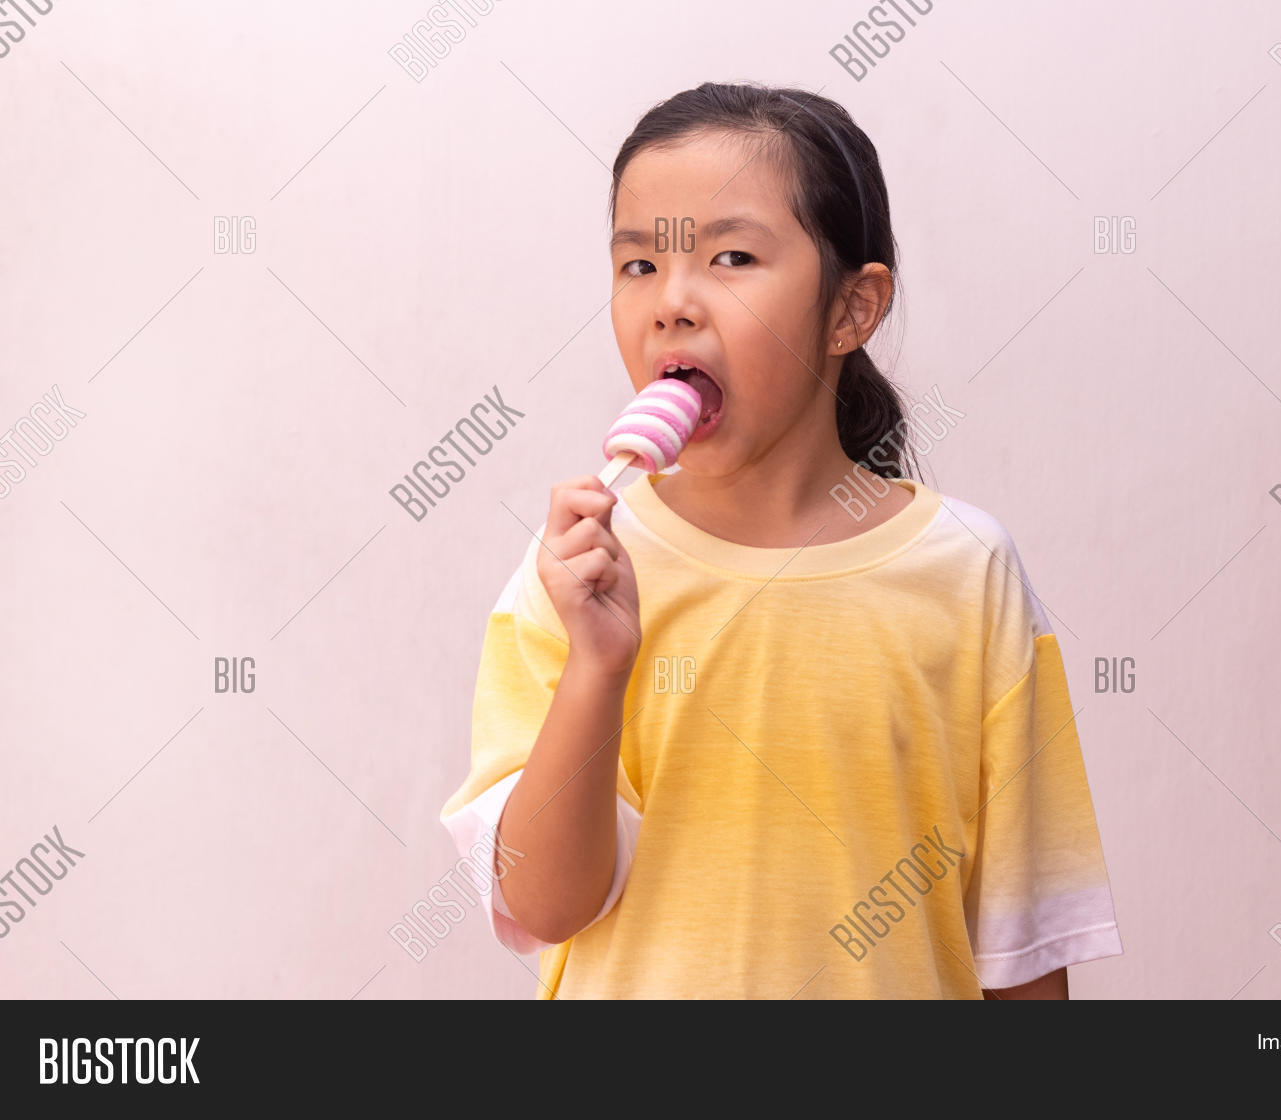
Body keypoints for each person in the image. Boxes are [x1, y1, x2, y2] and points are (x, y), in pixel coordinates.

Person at [440, 82, 1122, 998]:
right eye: (639, 265)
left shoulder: (966, 573)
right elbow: (545, 903)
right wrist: (597, 670)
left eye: (730, 257)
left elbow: (1024, 949)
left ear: (851, 310)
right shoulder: (579, 573)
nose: (672, 303)